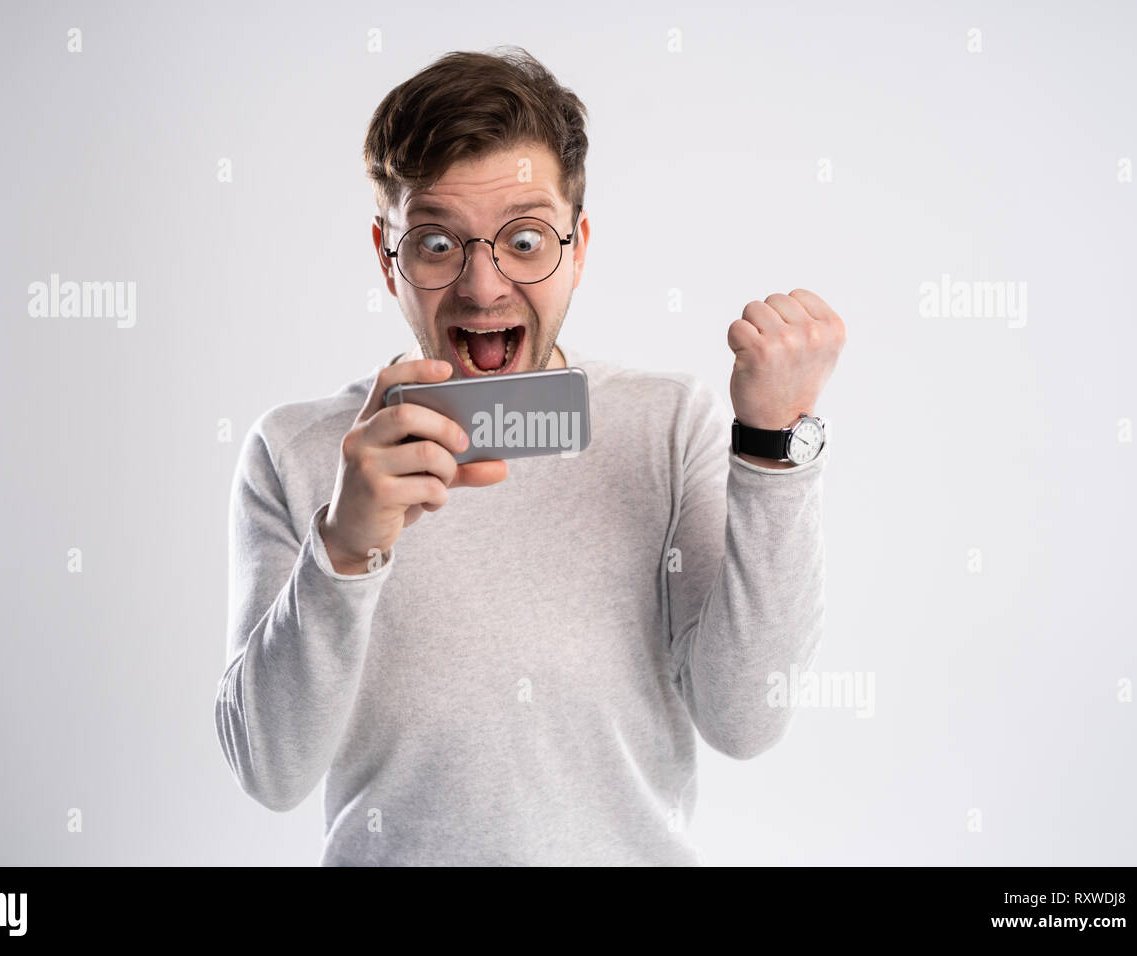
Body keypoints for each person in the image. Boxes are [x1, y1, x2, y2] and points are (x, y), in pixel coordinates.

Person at [214, 45, 846, 865]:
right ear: (387, 257)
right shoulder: (295, 452)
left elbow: (745, 721)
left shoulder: (667, 423)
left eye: (524, 240)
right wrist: (345, 546)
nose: (482, 288)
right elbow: (269, 771)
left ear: (578, 247)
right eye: (438, 243)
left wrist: (770, 446)